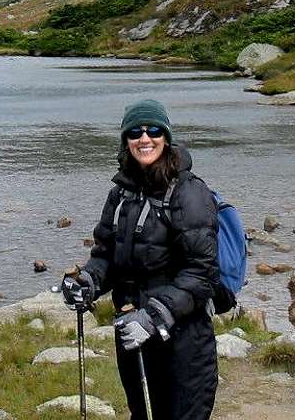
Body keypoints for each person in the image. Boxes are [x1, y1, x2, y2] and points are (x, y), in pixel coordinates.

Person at [62, 99, 219, 420]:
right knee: (142, 415)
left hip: (183, 338)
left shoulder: (189, 192)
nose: (144, 139)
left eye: (153, 131)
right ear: (125, 140)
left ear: (166, 137)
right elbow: (106, 254)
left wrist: (154, 316)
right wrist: (88, 282)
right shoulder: (121, 192)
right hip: (132, 332)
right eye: (135, 132)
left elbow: (202, 273)